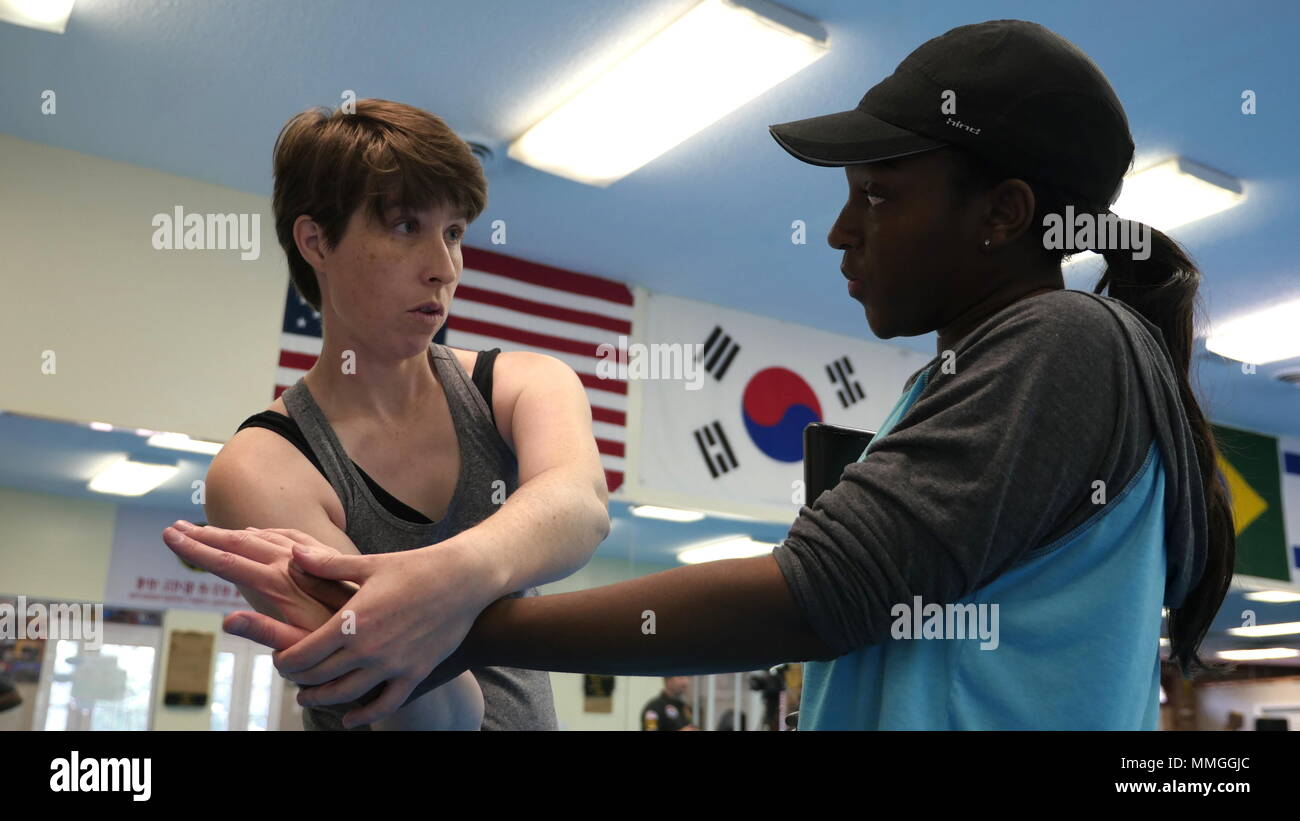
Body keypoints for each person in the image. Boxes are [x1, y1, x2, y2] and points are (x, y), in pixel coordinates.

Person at [175, 20, 1234, 730]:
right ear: (313, 241)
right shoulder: (970, 370)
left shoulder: (1065, 340)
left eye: (876, 196)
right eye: (406, 228)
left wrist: (444, 605)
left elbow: (825, 589)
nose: (836, 230)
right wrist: (437, 614)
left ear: (1004, 214)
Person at [162, 99, 610, 730]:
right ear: (316, 240)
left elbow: (582, 509)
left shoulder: (522, 383)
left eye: (453, 232)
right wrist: (485, 569)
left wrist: (446, 577)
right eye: (405, 226)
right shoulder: (261, 469)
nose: (445, 267)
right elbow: (438, 718)